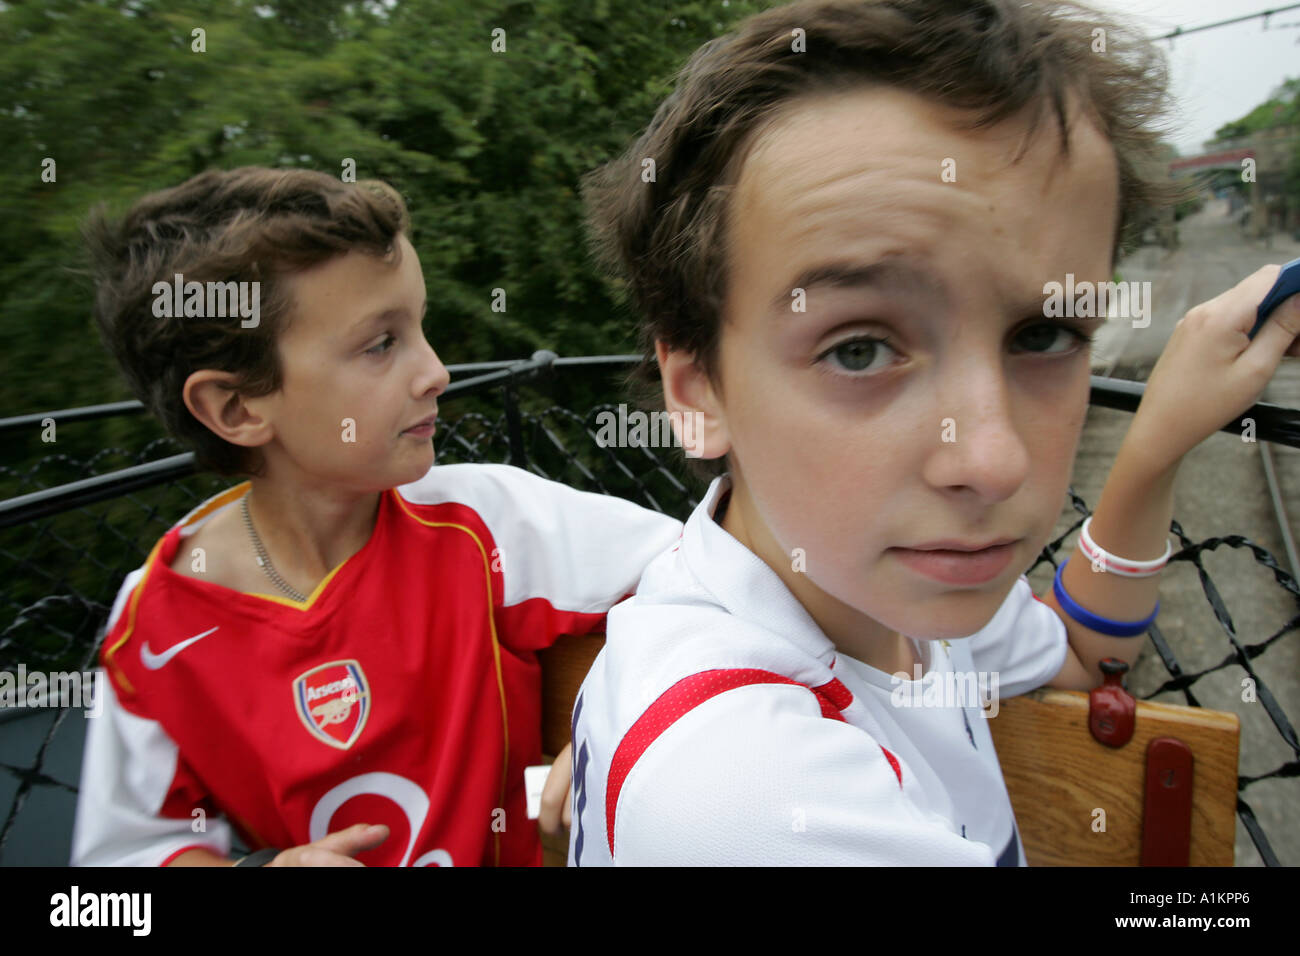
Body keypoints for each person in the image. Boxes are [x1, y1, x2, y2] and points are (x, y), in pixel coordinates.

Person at [568, 0, 1300, 865]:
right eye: (861, 348)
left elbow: (1083, 654)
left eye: (1044, 336)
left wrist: (1156, 446)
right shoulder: (744, 796)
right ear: (696, 391)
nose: (992, 462)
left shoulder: (870, 587)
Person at [70, 167, 682, 866]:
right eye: (381, 344)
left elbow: (712, 575)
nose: (436, 372)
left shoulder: (491, 522)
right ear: (236, 409)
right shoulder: (154, 629)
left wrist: (619, 721)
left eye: (418, 327)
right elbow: (112, 879)